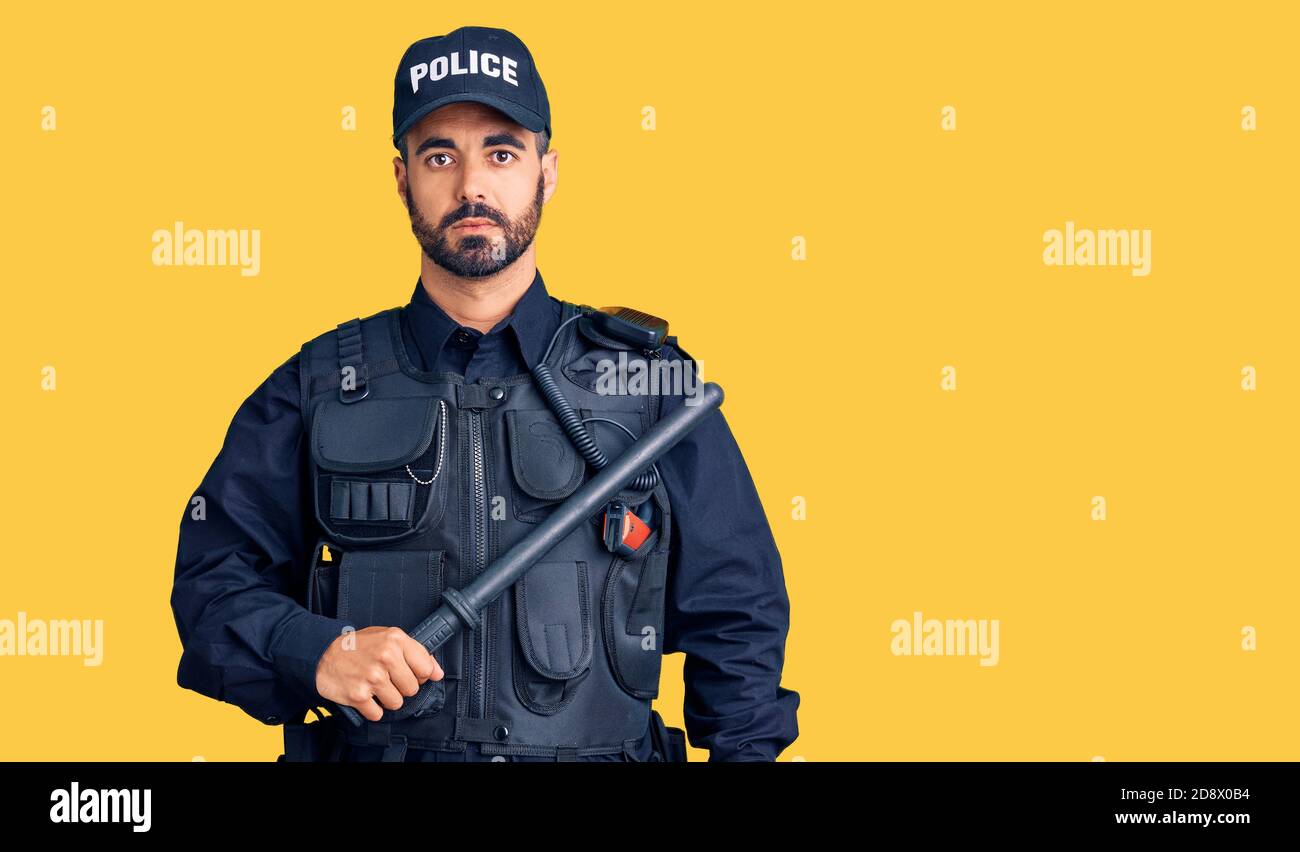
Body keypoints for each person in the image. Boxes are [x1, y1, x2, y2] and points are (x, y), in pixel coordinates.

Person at [170, 25, 799, 762]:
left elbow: (739, 617)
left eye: (501, 153)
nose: (471, 185)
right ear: (401, 177)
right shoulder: (316, 385)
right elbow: (211, 585)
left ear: (547, 172)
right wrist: (318, 651)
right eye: (440, 155)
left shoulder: (651, 385)